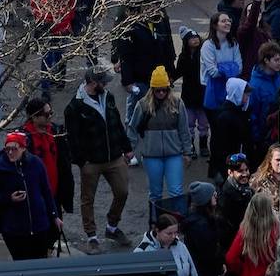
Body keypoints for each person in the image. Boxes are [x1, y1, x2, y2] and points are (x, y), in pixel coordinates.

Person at [65, 61, 133, 249]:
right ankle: (91, 236)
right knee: (88, 199)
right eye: (104, 82)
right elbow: (72, 137)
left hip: (114, 157)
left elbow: (116, 123)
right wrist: (81, 161)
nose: (107, 85)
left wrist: (126, 147)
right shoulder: (75, 107)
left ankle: (112, 226)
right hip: (91, 161)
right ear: (94, 82)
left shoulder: (107, 97)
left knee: (122, 191)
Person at [0, 129, 58, 259]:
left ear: (23, 148)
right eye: (7, 148)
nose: (10, 152)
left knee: (39, 262)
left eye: (14, 148)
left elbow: (46, 191)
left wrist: (54, 215)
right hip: (14, 229)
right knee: (21, 265)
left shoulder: (36, 163)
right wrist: (10, 198)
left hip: (39, 225)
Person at [134, 66, 192, 215]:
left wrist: (187, 152)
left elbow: (184, 130)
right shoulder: (142, 105)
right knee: (155, 193)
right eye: (158, 90)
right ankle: (154, 224)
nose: (161, 93)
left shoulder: (178, 103)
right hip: (151, 156)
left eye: (164, 90)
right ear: (152, 89)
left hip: (174, 154)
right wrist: (129, 151)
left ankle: (177, 224)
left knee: (176, 191)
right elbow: (132, 128)